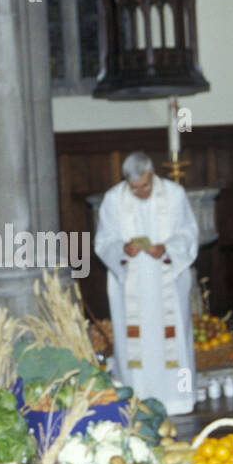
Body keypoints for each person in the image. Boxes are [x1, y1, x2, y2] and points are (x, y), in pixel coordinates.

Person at [93, 151, 199, 415]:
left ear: (152, 174)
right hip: (132, 285)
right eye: (134, 189)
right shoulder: (113, 199)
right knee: (133, 346)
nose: (140, 193)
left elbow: (188, 234)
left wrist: (167, 249)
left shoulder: (174, 194)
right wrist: (121, 249)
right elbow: (104, 242)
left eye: (145, 187)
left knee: (177, 343)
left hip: (168, 283)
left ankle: (181, 399)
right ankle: (137, 399)